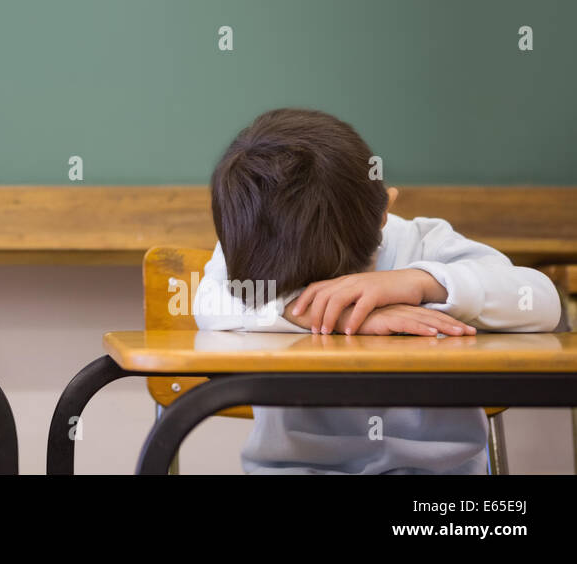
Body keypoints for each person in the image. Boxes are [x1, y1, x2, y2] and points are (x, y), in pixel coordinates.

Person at [194, 107, 561, 473]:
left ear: (385, 212)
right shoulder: (255, 248)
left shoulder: (425, 244)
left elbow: (541, 301)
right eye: (310, 286)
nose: (342, 291)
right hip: (292, 468)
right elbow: (207, 301)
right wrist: (330, 314)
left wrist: (419, 282)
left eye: (346, 283)